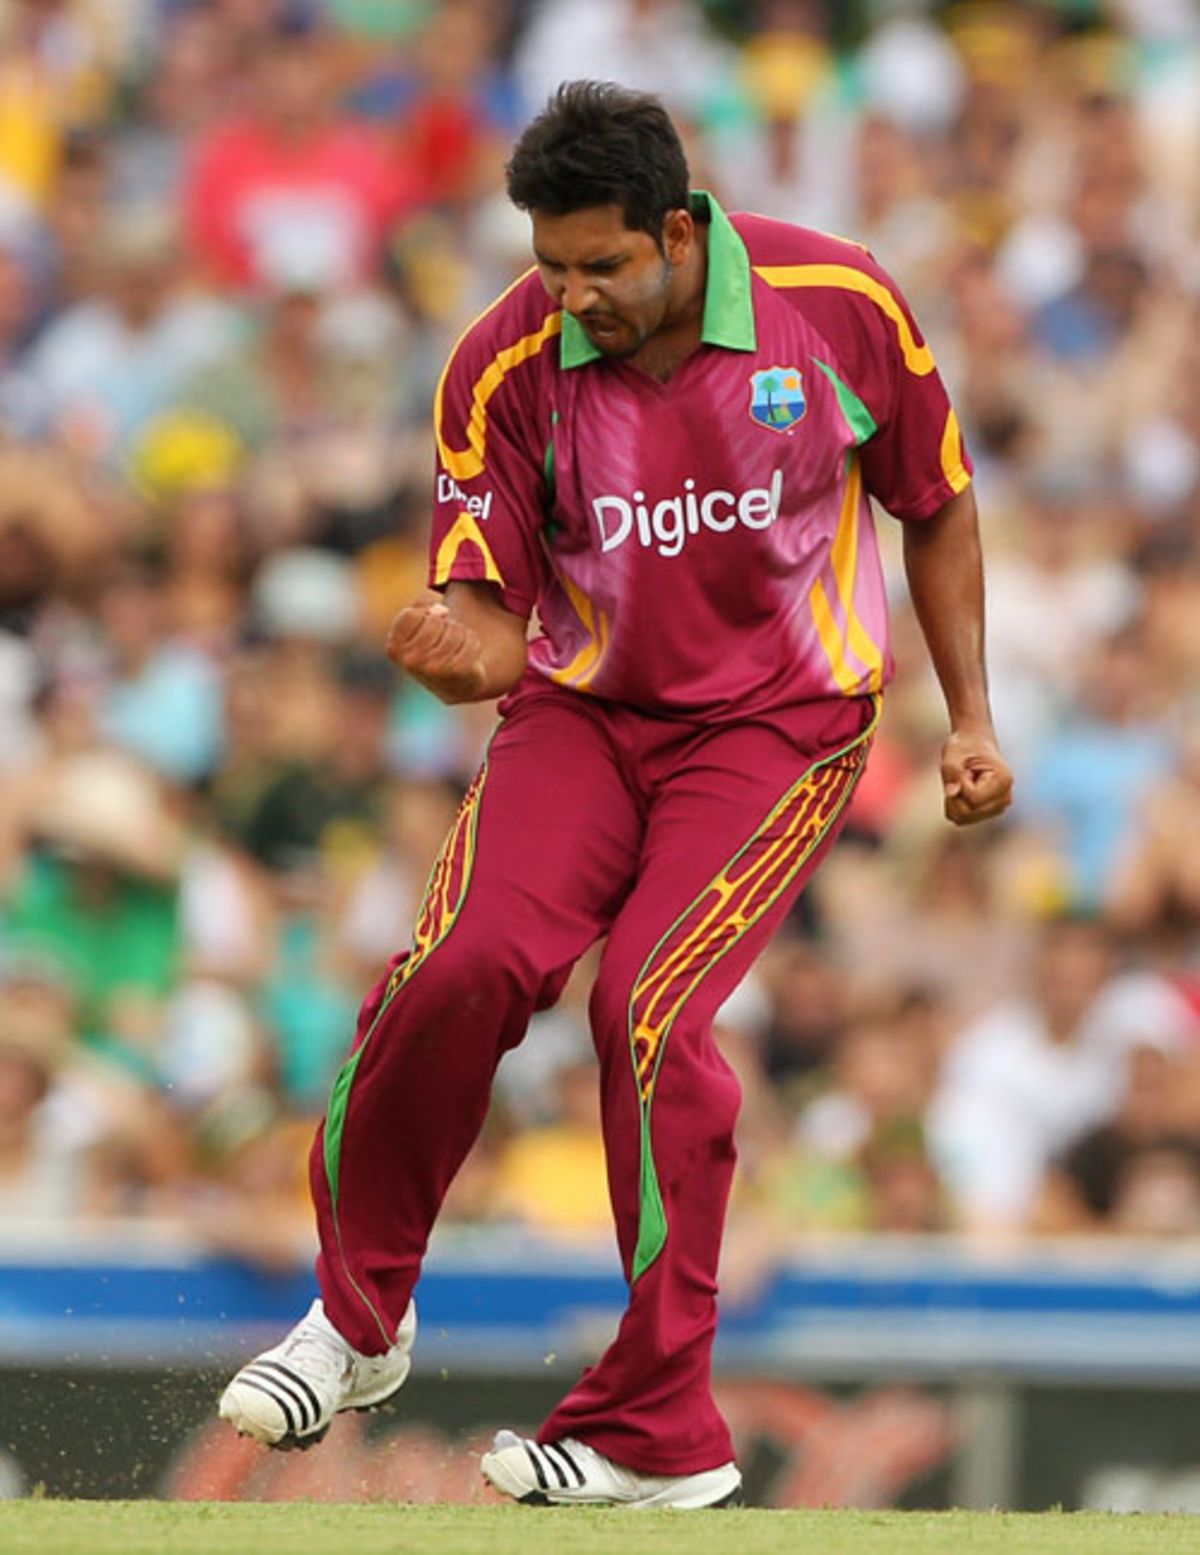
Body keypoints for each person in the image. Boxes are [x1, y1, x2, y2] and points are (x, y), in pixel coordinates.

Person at [218, 80, 1012, 1510]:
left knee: (646, 1007)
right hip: (582, 714)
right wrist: (455, 657)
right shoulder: (502, 362)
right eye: (551, 265)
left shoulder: (837, 301)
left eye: (603, 265)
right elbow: (487, 618)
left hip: (779, 725)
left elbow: (937, 499)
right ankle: (357, 1319)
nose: (574, 295)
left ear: (679, 230)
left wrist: (971, 719)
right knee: (457, 962)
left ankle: (656, 1433)